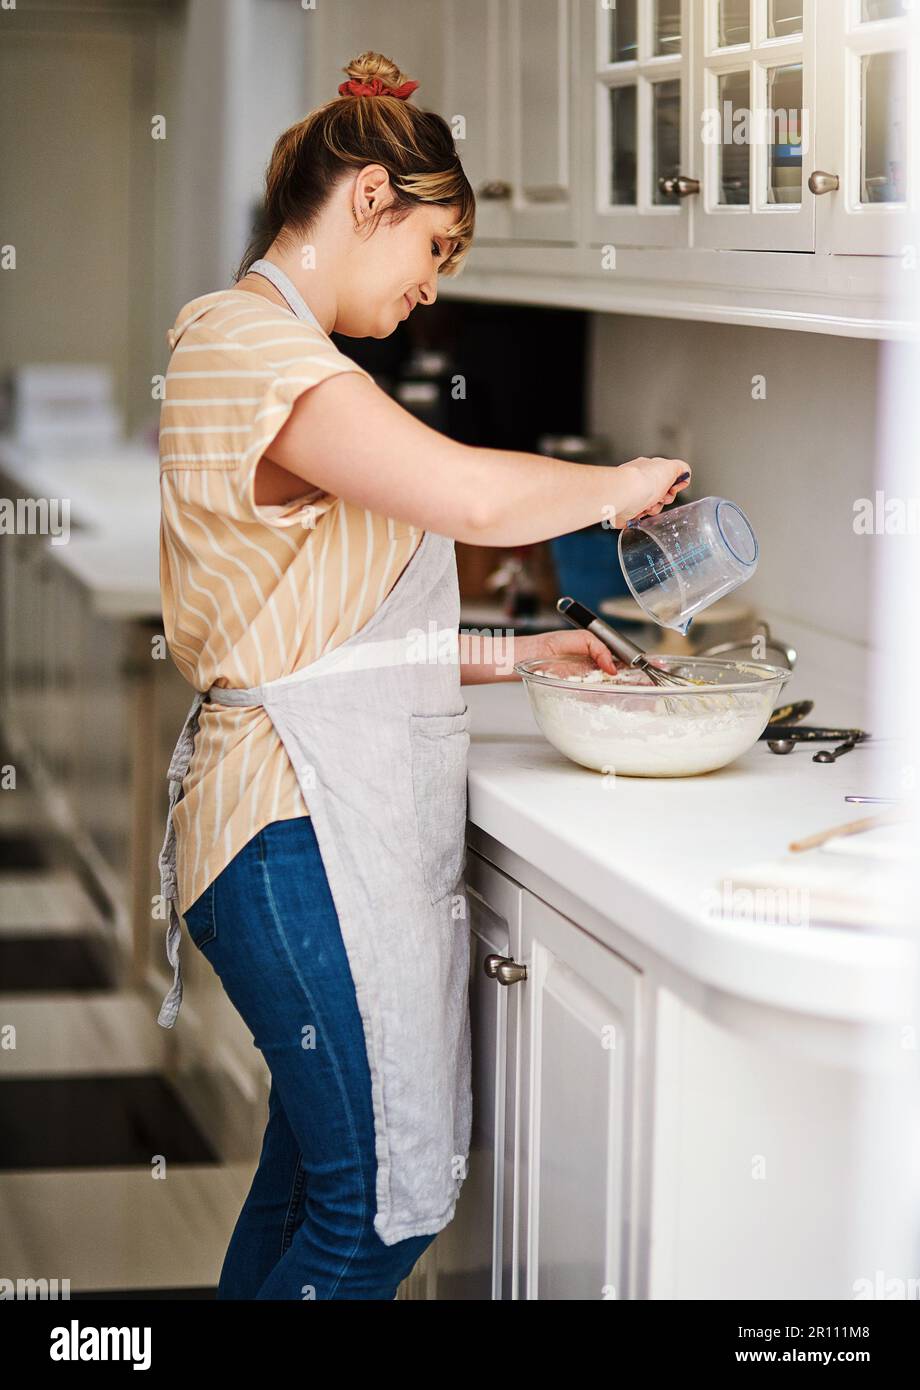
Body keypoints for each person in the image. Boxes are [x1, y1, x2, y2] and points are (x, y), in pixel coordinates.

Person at [155, 50, 691, 1301]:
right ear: (366, 199)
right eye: (434, 247)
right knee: (382, 1211)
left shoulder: (281, 352)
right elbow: (460, 491)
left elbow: (329, 639)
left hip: (295, 817)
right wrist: (615, 489)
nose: (430, 288)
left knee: (312, 1186)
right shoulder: (249, 348)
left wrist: (520, 654)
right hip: (290, 830)